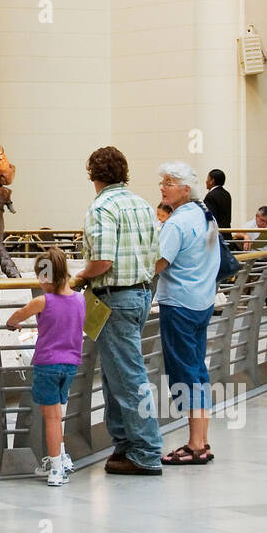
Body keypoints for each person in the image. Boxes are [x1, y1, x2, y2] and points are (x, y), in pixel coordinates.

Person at [70, 146, 163, 477]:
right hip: (140, 294)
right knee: (115, 374)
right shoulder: (142, 204)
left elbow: (103, 260)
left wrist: (79, 277)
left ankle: (147, 451)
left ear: (92, 175)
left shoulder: (101, 208)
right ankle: (124, 444)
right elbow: (156, 255)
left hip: (115, 299)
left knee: (127, 375)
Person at [154, 161, 221, 465]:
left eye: (168, 182)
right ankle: (201, 440)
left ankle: (195, 444)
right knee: (197, 370)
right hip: (203, 301)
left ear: (184, 189)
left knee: (184, 372)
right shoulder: (204, 216)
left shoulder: (177, 223)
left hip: (179, 304)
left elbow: (158, 262)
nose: (162, 187)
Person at [7, 247, 84, 487]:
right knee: (57, 414)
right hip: (70, 365)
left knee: (50, 418)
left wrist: (13, 324)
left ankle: (55, 468)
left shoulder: (42, 301)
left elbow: (18, 315)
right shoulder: (80, 299)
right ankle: (61, 456)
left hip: (47, 365)